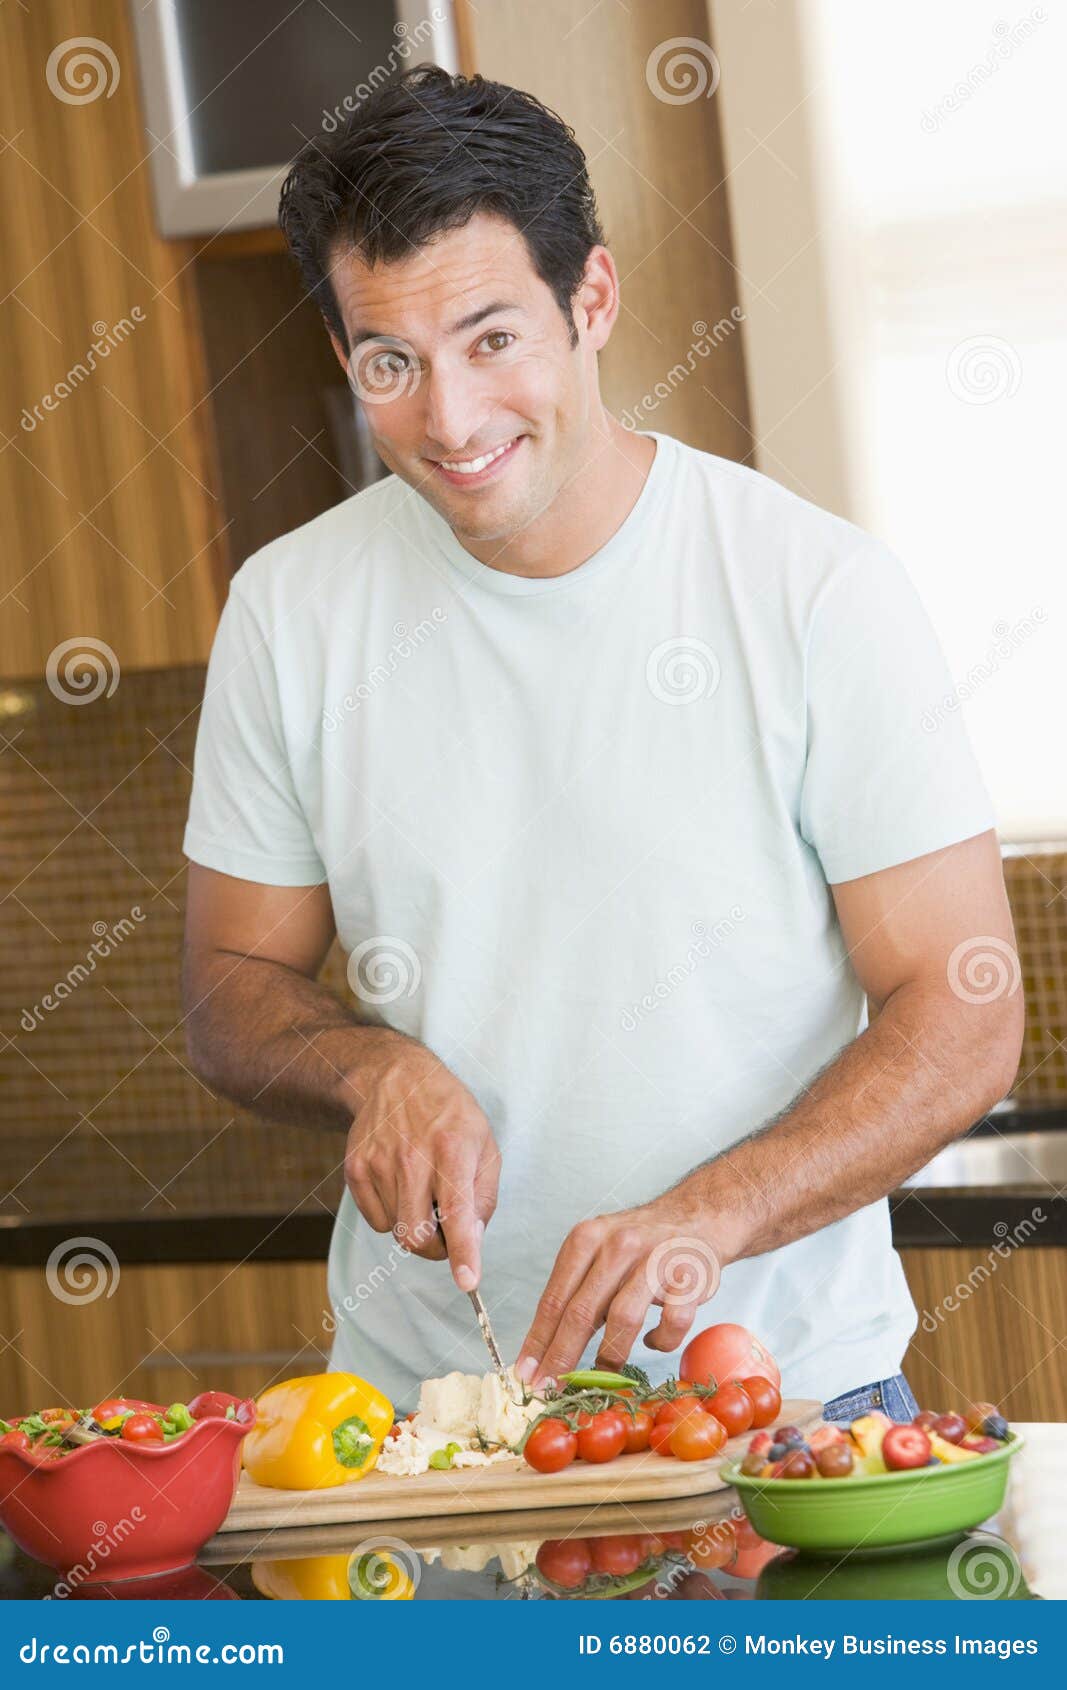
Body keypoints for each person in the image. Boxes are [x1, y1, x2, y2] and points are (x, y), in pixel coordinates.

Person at [181, 67, 1022, 1415]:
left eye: (492, 338)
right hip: (429, 1426)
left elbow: (968, 1010)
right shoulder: (291, 612)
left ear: (594, 303)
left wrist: (709, 1214)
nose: (450, 420)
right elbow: (228, 984)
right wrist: (366, 1066)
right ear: (345, 360)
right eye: (391, 362)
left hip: (776, 1408)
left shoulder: (812, 591)